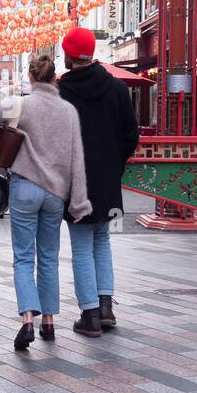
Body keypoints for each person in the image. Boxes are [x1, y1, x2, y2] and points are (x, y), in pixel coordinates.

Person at [0, 54, 91, 350]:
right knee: (49, 257)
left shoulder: (21, 104)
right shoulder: (69, 111)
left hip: (24, 187)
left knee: (24, 257)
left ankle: (28, 318)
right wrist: (79, 202)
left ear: (31, 77)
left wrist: (7, 90)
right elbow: (77, 160)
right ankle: (49, 322)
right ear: (55, 78)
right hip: (55, 193)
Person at [58, 27, 140, 337]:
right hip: (107, 180)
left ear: (68, 54)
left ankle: (89, 313)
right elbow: (131, 135)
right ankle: (106, 308)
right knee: (102, 241)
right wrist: (113, 163)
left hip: (74, 181)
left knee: (81, 246)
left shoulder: (62, 90)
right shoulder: (116, 88)